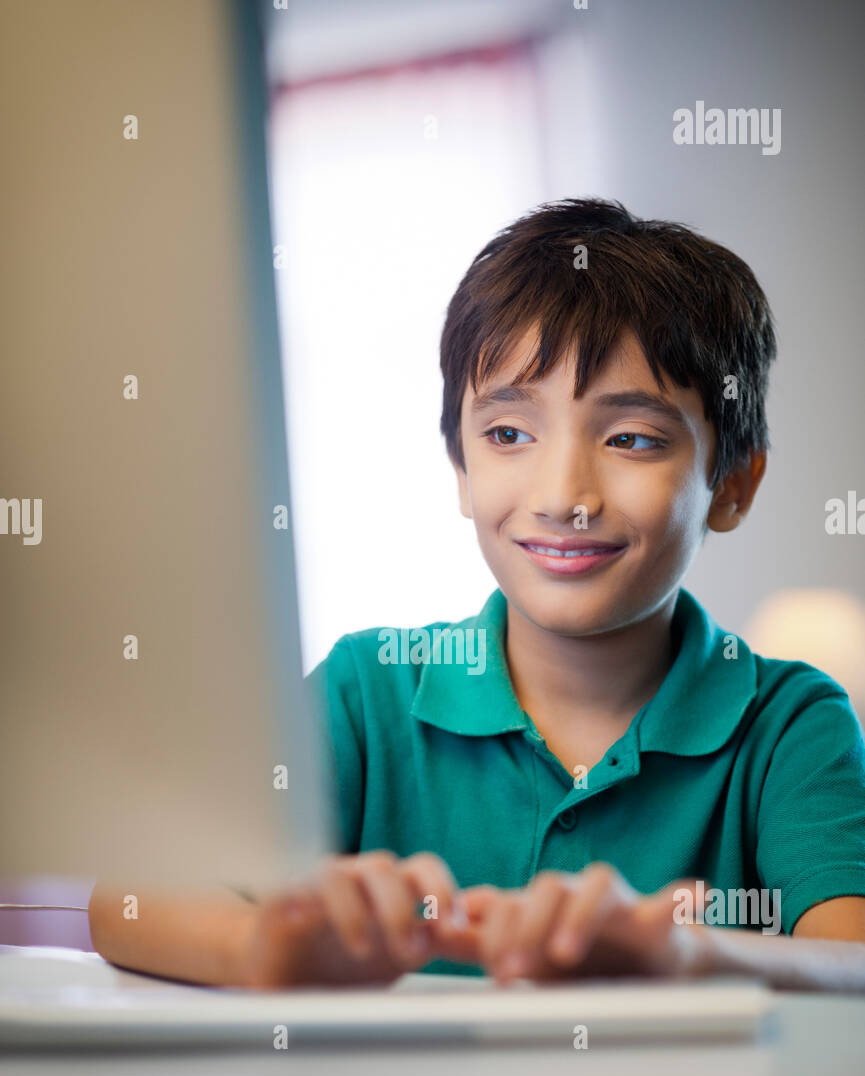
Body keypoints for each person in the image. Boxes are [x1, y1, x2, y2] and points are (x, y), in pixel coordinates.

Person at [90, 199, 865, 991]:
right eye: (507, 435)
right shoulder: (367, 692)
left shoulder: (790, 725)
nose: (563, 495)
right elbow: (124, 900)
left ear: (731, 485)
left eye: (631, 438)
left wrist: (692, 955)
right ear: (460, 469)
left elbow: (851, 965)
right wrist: (262, 945)